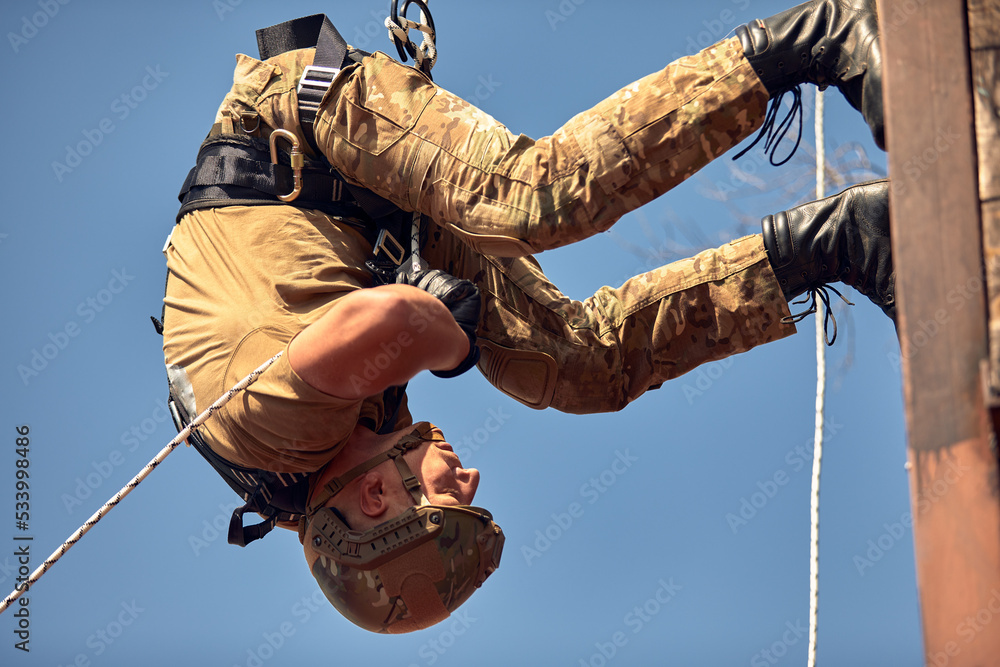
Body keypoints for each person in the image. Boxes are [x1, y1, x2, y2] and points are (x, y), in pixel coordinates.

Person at [161, 0, 892, 634]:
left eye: (452, 498)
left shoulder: (280, 429)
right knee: (581, 369)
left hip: (301, 132)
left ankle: (820, 35)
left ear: (378, 496)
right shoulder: (321, 466)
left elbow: (400, 318)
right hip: (367, 223)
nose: (472, 477)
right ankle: (844, 241)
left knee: (537, 197)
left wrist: (451, 348)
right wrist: (435, 325)